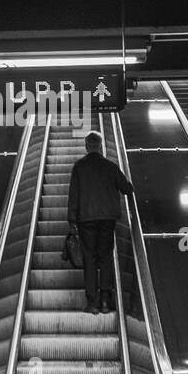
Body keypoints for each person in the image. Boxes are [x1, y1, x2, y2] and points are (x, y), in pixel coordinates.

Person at [67, 130, 134, 315]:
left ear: (86, 146)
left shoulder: (79, 167)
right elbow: (127, 188)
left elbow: (74, 195)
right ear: (101, 146)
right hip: (107, 219)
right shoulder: (110, 166)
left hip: (85, 219)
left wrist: (71, 219)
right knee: (105, 257)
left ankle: (92, 303)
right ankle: (106, 300)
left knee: (89, 258)